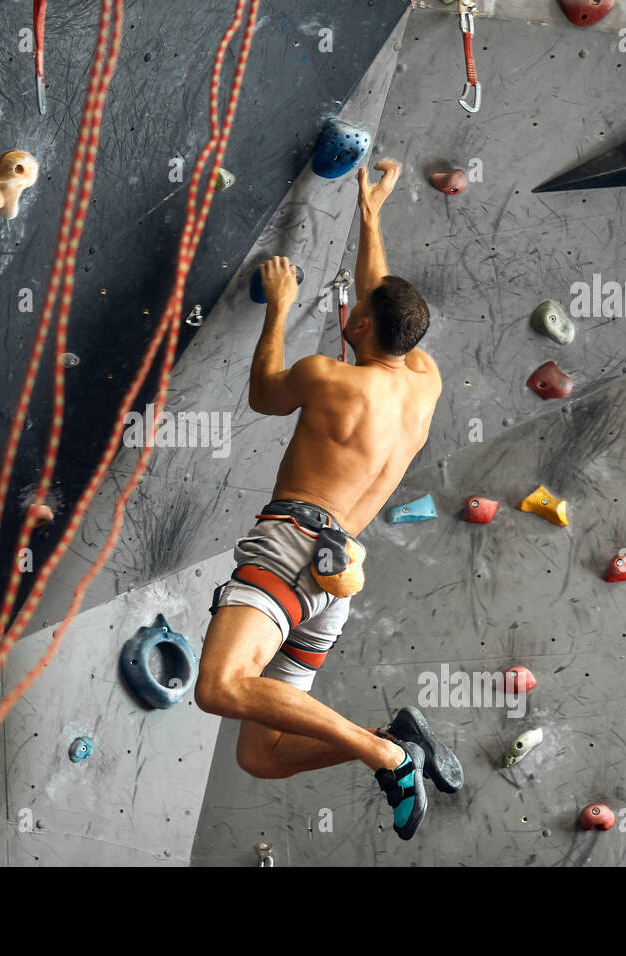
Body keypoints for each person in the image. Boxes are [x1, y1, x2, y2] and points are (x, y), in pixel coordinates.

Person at [194, 159, 461, 841]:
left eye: (357, 313)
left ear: (364, 328)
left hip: (291, 549)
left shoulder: (327, 378)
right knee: (261, 754)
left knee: (220, 686)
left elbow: (263, 393)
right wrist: (370, 217)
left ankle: (388, 753)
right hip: (338, 578)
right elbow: (384, 295)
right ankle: (393, 741)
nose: (352, 310)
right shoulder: (423, 379)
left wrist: (280, 310)